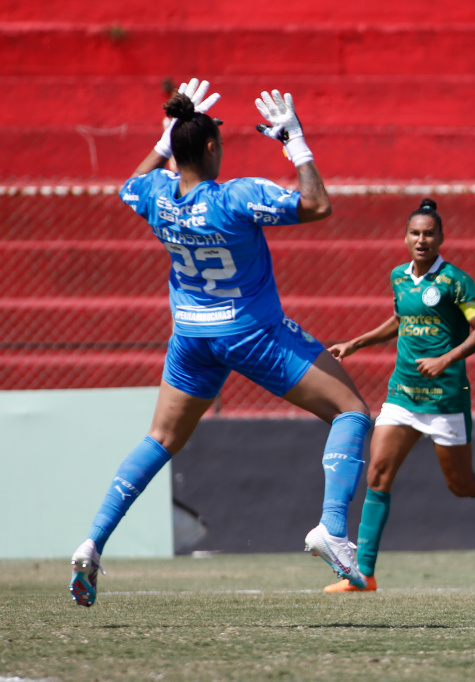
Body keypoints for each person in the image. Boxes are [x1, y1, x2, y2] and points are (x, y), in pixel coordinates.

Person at [69, 79, 372, 607]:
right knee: (351, 411)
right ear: (211, 147)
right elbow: (317, 205)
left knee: (160, 439)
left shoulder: (157, 195)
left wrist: (166, 140)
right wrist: (293, 139)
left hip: (190, 335)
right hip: (250, 332)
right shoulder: (237, 197)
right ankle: (331, 527)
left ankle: (93, 541)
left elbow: (129, 184)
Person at [321, 197, 475, 592]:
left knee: (461, 485)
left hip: (445, 397)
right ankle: (363, 574)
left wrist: (446, 358)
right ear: (405, 237)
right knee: (378, 475)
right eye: (415, 233)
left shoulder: (455, 281)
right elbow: (400, 320)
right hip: (402, 393)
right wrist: (355, 343)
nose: (421, 239)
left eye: (428, 233)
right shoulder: (399, 276)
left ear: (440, 238)